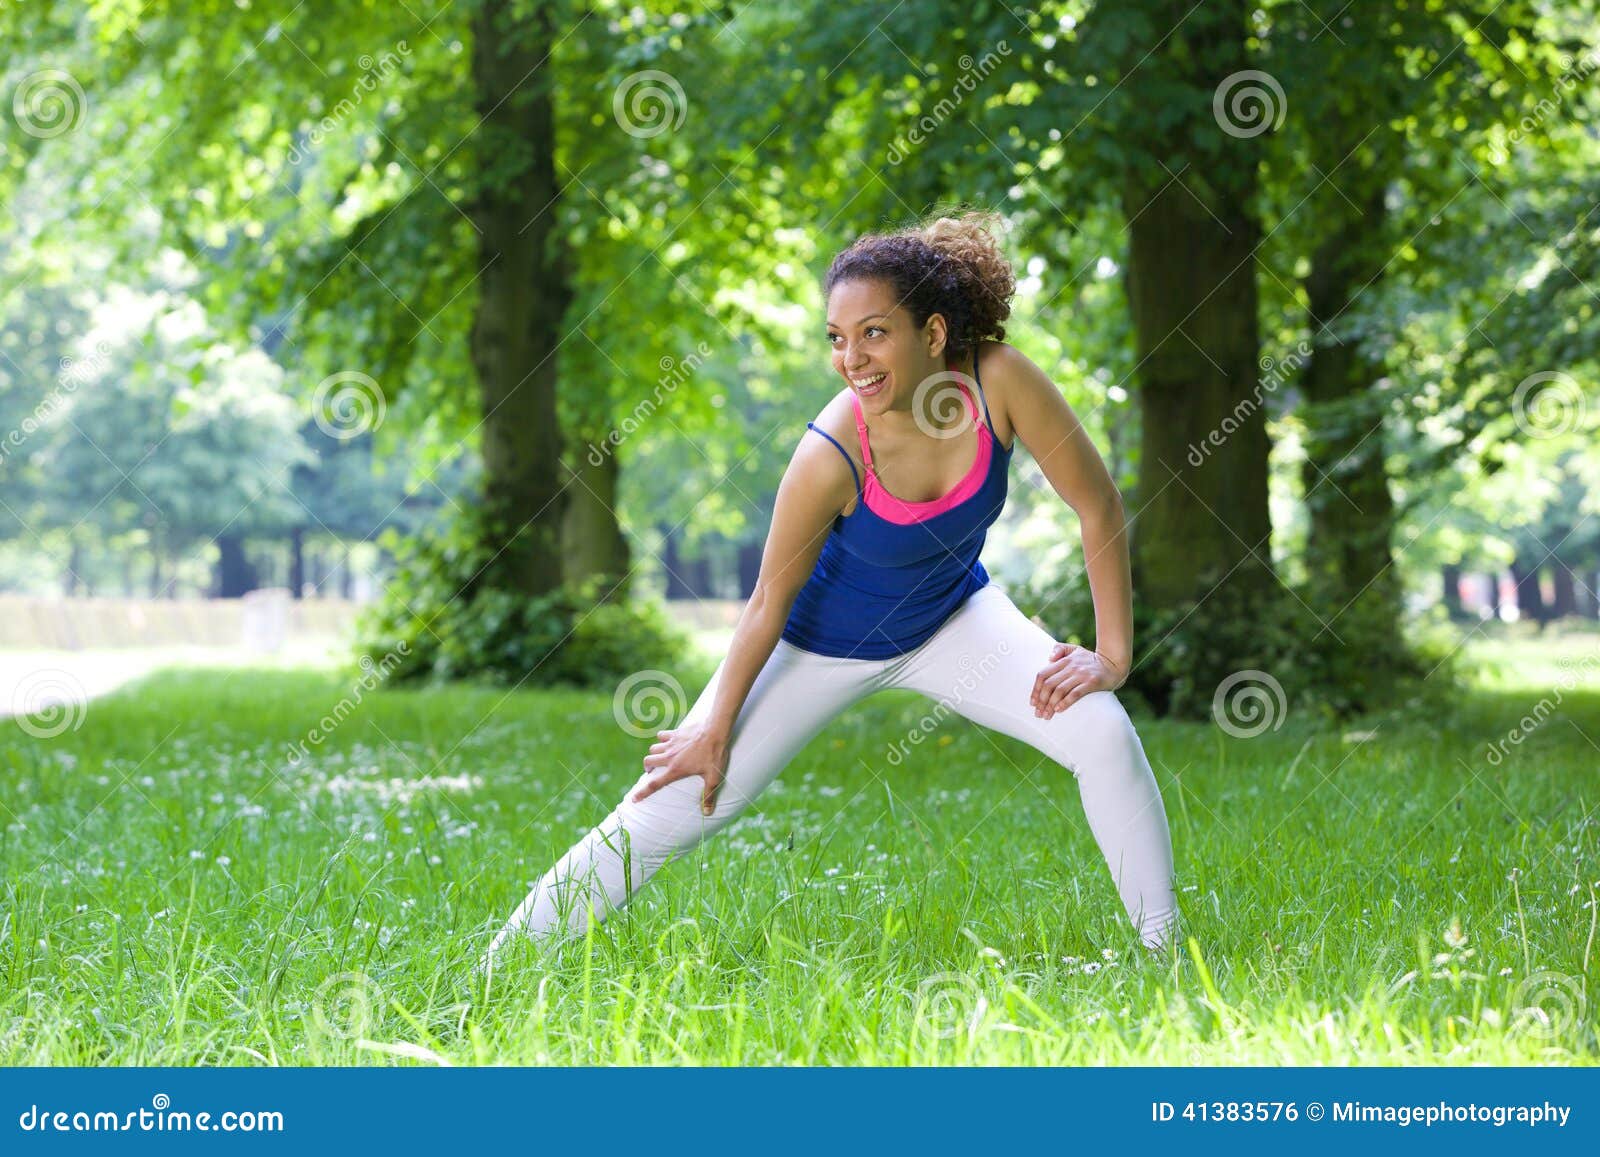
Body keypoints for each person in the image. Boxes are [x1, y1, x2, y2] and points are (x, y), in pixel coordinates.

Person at [483, 210, 1178, 973]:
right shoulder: (832, 449)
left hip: (954, 619)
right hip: (814, 644)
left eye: (874, 332)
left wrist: (1112, 655)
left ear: (936, 333)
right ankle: (496, 968)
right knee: (669, 809)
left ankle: (1164, 956)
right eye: (837, 338)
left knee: (1102, 731)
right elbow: (765, 605)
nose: (852, 357)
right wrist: (714, 727)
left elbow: (1099, 504)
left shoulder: (1000, 381)